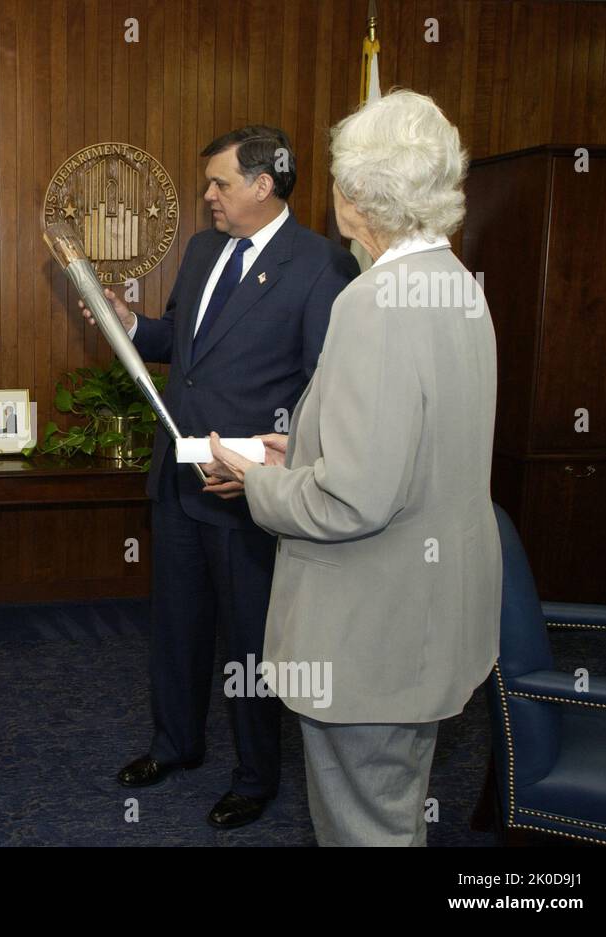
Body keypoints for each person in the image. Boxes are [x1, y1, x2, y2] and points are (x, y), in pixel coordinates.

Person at [205, 90, 500, 846]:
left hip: (368, 639)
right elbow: (416, 447)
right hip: (431, 626)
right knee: (396, 812)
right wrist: (301, 450)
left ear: (356, 193)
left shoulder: (374, 303)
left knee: (363, 829)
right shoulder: (460, 287)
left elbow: (352, 499)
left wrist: (261, 481)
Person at [84, 126, 358, 829]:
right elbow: (181, 341)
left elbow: (329, 384)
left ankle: (256, 774)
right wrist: (130, 323)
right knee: (174, 625)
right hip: (180, 471)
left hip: (249, 488)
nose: (207, 195)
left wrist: (280, 458)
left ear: (263, 186)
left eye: (220, 183)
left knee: (248, 641)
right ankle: (174, 744)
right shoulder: (205, 249)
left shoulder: (321, 266)